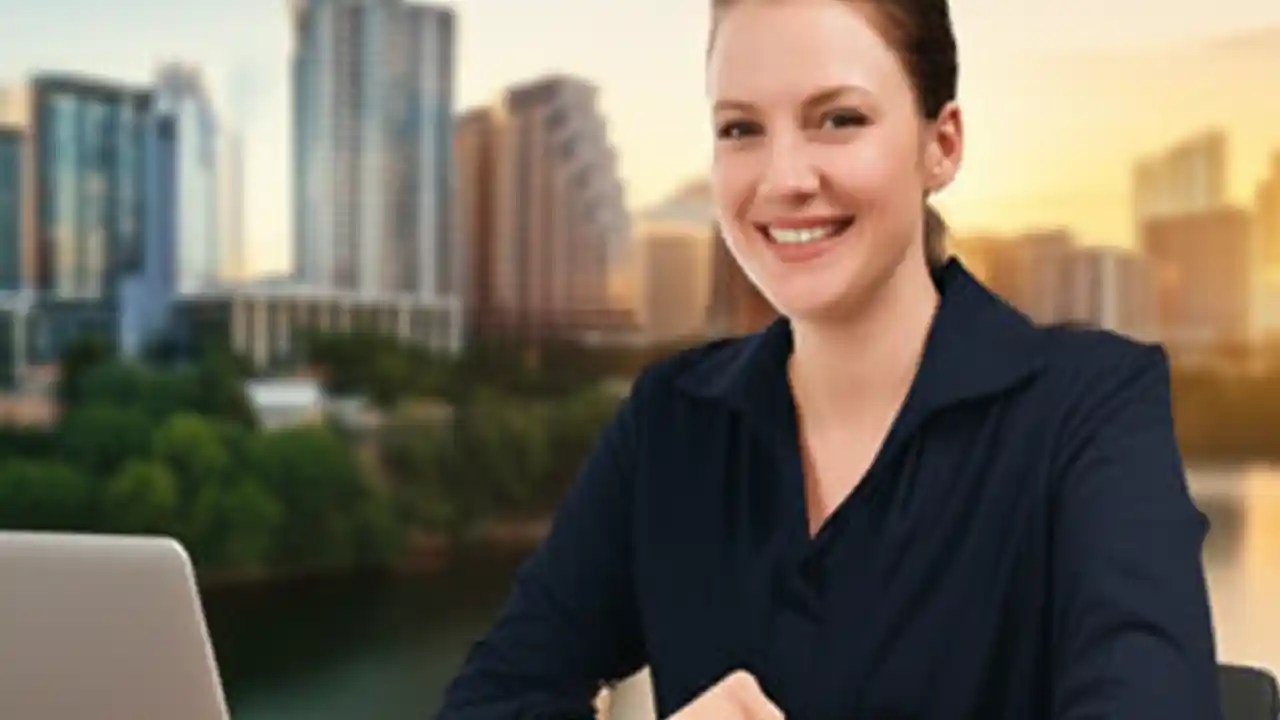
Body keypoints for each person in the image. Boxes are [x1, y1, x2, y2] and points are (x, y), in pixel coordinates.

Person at [436, 0, 1223, 717]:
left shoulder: (1091, 408)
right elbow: (496, 696)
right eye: (741, 129)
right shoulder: (669, 422)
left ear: (940, 145)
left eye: (838, 119)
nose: (783, 180)